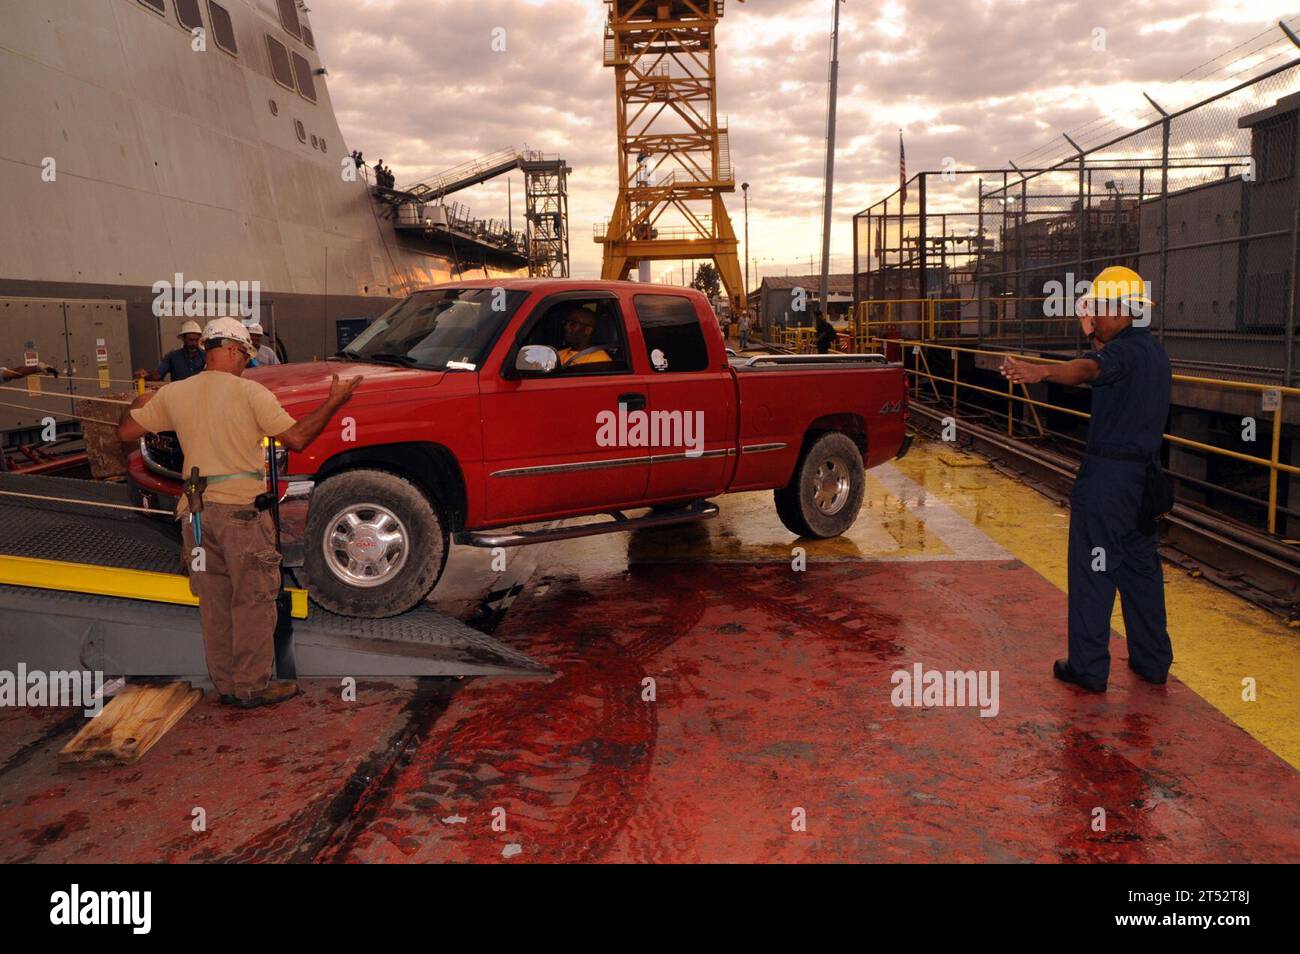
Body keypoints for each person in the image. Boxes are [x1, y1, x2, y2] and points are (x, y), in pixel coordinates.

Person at [118, 317, 362, 708]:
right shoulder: (251, 394)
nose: (246, 363)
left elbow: (125, 432)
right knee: (252, 599)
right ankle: (251, 686)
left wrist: (142, 399)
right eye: (245, 356)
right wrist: (335, 401)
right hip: (240, 515)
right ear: (232, 350)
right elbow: (297, 438)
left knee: (214, 601)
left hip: (196, 516)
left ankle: (227, 684)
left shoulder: (176, 393)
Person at [999, 266, 1173, 693]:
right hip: (1145, 483)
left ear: (1119, 308)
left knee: (1094, 568)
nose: (1092, 315)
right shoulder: (1152, 353)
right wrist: (1093, 336)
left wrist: (1039, 372)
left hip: (1109, 481)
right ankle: (1153, 662)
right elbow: (1101, 363)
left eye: (1097, 308)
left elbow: (1089, 371)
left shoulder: (1118, 356)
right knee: (1140, 570)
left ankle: (1088, 667)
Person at [136, 321, 205, 382]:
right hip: (178, 394)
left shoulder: (205, 355)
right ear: (183, 339)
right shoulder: (173, 357)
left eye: (196, 340)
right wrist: (146, 375)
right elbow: (158, 374)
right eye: (191, 340)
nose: (194, 343)